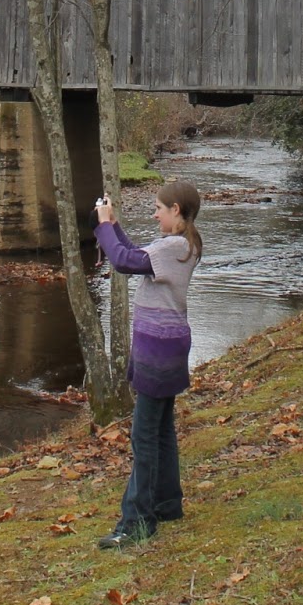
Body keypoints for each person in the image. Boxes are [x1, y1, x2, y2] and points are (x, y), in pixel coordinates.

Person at [93, 179, 202, 548]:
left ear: (176, 210)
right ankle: (167, 504)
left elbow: (124, 262)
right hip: (168, 348)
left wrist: (103, 225)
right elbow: (135, 255)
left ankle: (136, 522)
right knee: (161, 431)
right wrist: (112, 225)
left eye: (158, 208)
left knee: (143, 437)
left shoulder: (173, 246)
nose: (155, 214)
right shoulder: (181, 245)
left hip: (158, 351)